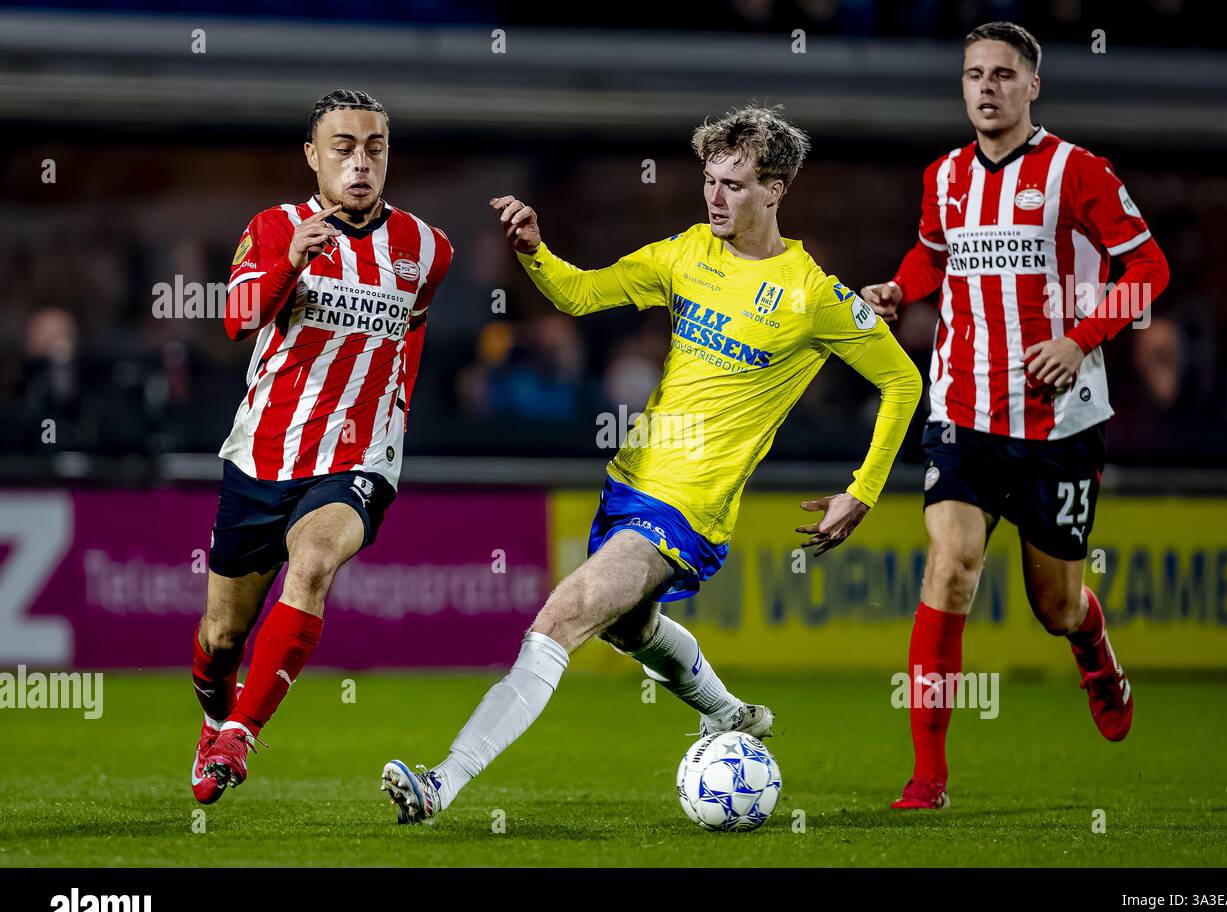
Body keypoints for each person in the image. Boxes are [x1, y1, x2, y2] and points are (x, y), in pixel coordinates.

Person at [381, 105, 923, 824]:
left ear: (776, 189)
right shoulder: (685, 253)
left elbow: (902, 383)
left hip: (688, 511)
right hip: (628, 487)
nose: (716, 197)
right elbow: (580, 293)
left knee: (559, 619)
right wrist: (535, 250)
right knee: (630, 630)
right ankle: (732, 714)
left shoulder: (814, 297)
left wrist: (863, 490)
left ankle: (441, 782)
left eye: (733, 183)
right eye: (709, 180)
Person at [860, 22, 1170, 809]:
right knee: (950, 565)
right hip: (963, 410)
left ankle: (1092, 646)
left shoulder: (1079, 172)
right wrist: (903, 289)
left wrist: (1080, 338)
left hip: (1058, 421)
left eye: (1002, 74)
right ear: (962, 86)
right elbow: (934, 253)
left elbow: (1148, 266)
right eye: (973, 74)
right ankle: (929, 776)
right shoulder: (945, 177)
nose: (986, 87)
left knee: (1054, 606)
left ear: (1032, 86)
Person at [190, 89, 453, 804]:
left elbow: (413, 328)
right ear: (313, 157)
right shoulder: (275, 226)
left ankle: (239, 737)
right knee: (220, 638)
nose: (360, 162)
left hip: (359, 457)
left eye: (374, 147)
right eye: (343, 147)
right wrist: (289, 265)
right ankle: (216, 716)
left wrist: (396, 407)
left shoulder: (428, 249)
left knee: (310, 569)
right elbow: (236, 323)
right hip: (263, 455)